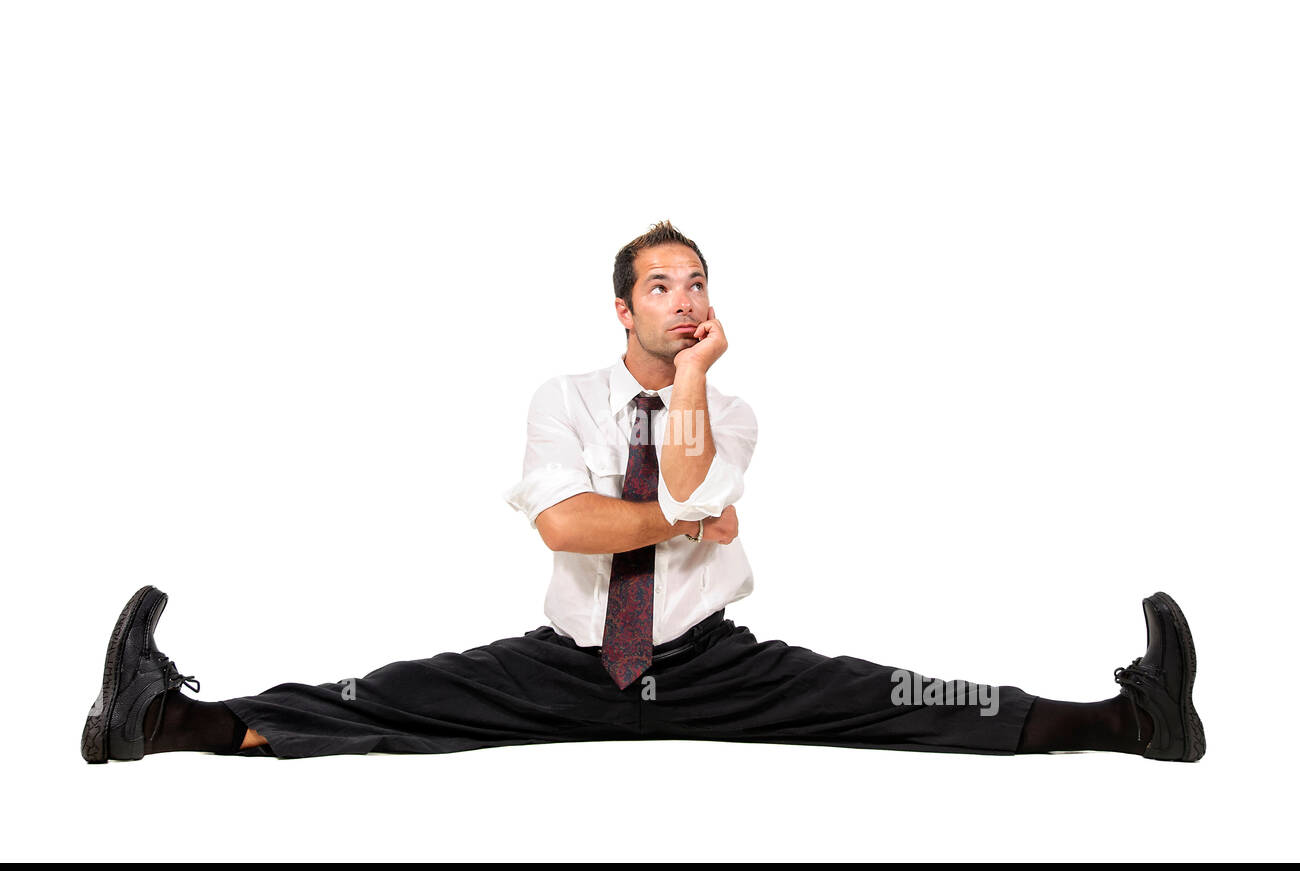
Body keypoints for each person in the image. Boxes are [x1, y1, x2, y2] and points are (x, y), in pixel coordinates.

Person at [80, 221, 1206, 765]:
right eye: (661, 285)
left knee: (916, 696)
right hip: (564, 665)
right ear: (621, 306)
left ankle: (1139, 719)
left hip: (716, 665)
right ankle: (154, 717)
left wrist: (699, 387)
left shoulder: (734, 407)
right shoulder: (562, 397)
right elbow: (572, 523)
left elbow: (686, 473)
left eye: (699, 284)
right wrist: (685, 517)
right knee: (368, 701)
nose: (683, 299)